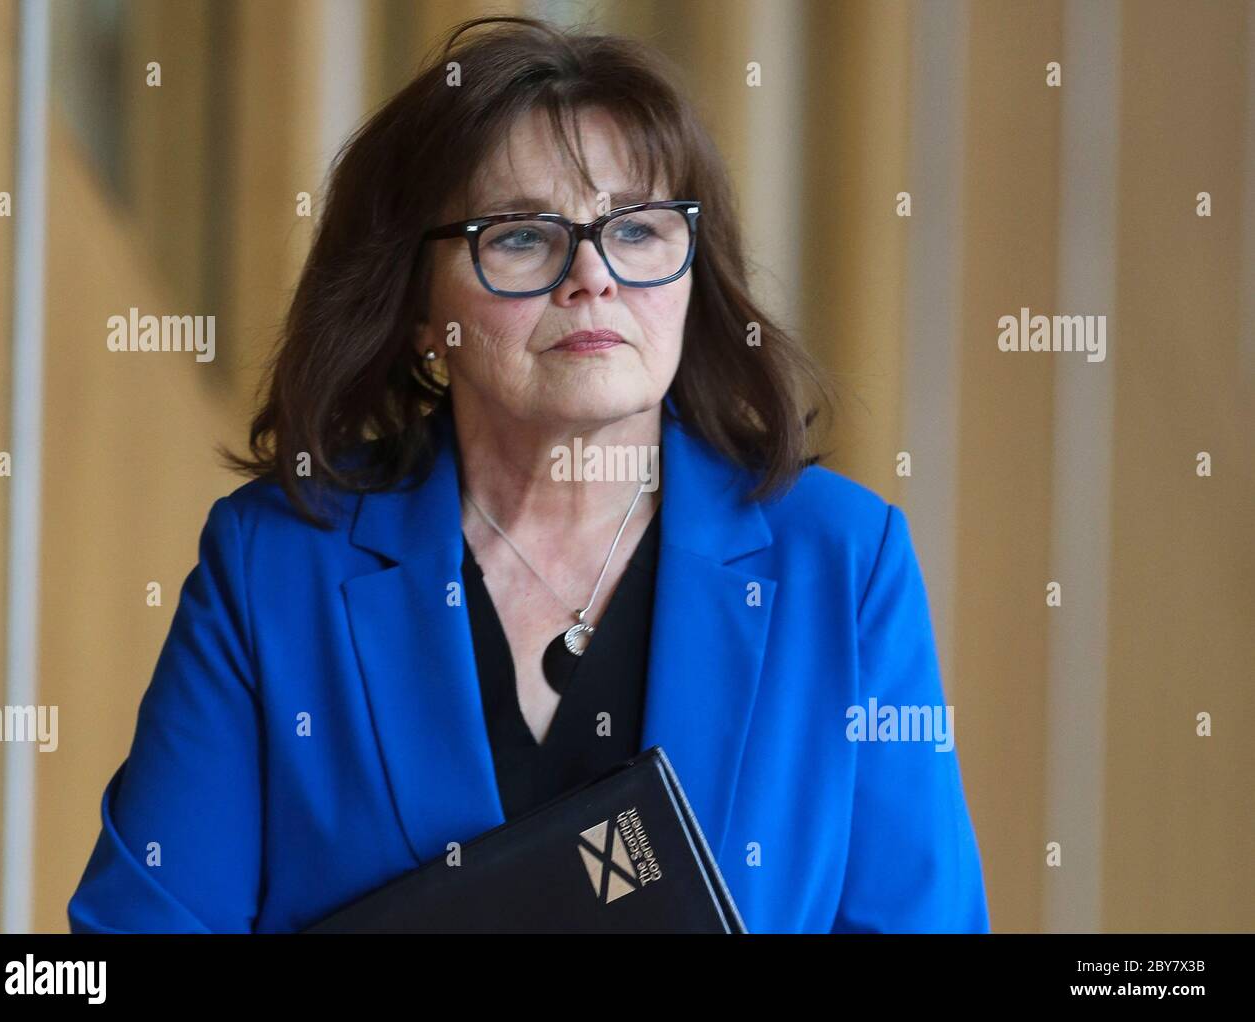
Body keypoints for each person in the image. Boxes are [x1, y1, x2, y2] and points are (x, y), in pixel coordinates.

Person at [68, 15, 989, 933]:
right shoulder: (276, 563)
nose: (593, 276)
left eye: (637, 229)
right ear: (419, 310)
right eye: (520, 238)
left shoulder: (841, 560)